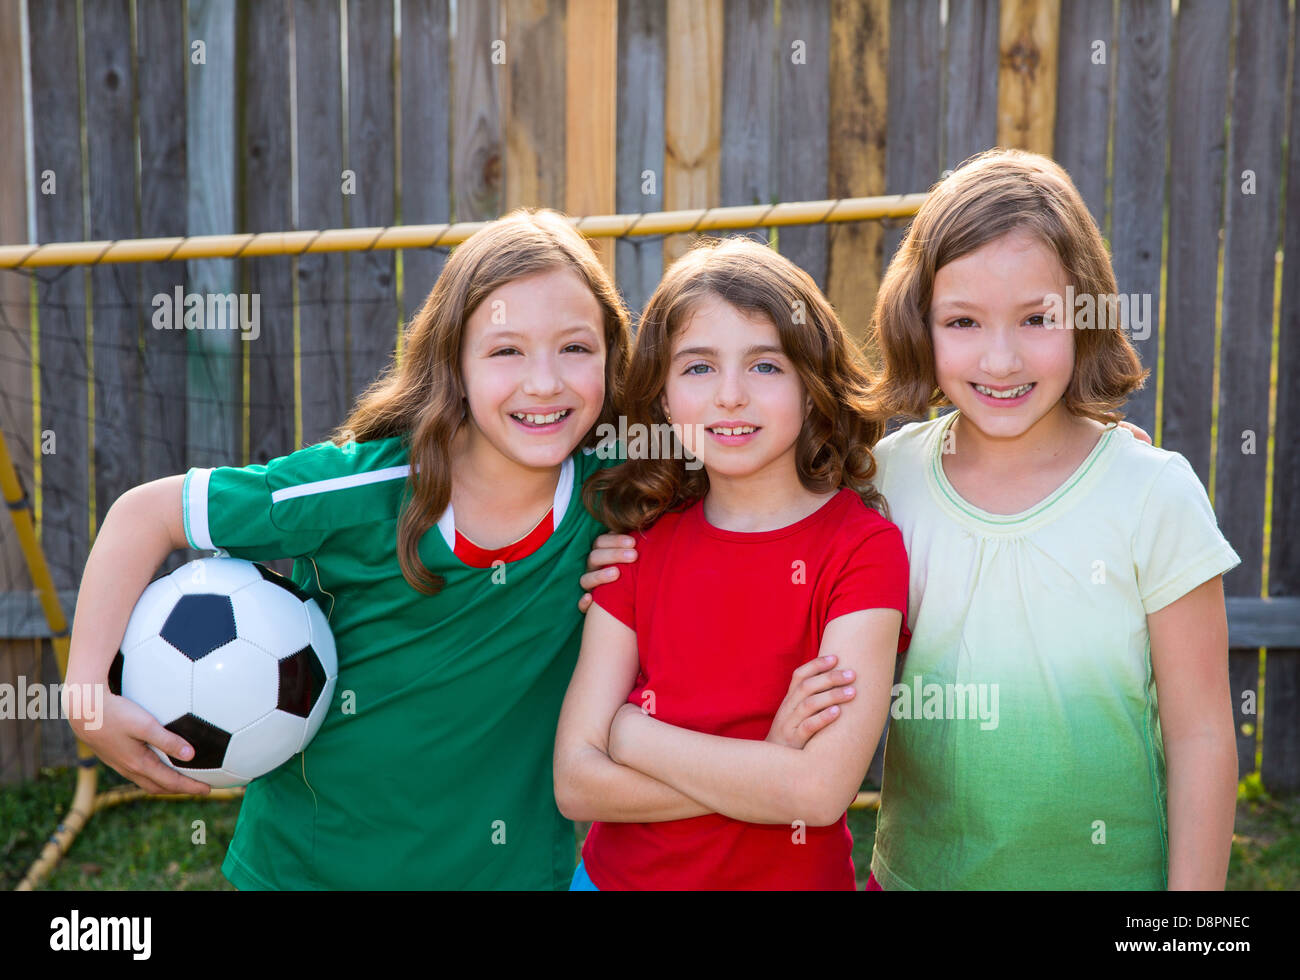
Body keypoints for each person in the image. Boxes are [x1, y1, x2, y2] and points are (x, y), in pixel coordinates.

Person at [66, 209, 637, 889]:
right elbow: (145, 514)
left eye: (576, 348)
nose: (545, 382)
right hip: (310, 870)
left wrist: (645, 564)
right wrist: (85, 693)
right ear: (452, 361)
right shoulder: (358, 487)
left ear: (612, 355)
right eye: (506, 350)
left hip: (506, 871)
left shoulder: (618, 491)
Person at [859, 148, 1240, 889]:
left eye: (1037, 319)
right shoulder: (887, 481)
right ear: (920, 323)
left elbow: (1201, 737)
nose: (1001, 360)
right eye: (963, 321)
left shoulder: (1153, 495)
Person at [553, 235, 911, 890]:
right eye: (697, 368)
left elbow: (816, 794)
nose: (730, 395)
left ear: (812, 385)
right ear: (662, 399)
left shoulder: (862, 548)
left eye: (766, 366)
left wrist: (634, 738)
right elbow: (577, 783)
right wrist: (766, 763)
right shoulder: (638, 545)